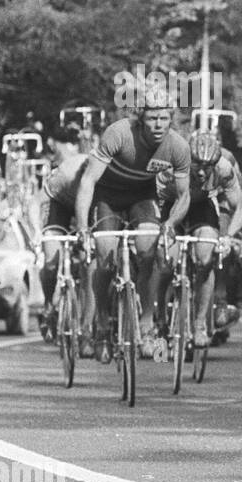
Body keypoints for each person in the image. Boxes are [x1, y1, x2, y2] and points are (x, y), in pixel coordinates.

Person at [76, 99, 191, 361]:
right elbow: (88, 181)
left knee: (148, 250)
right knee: (105, 260)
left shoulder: (178, 146)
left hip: (143, 197)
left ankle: (147, 323)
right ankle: (102, 324)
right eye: (152, 118)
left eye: (163, 118)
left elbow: (184, 195)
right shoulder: (118, 133)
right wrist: (83, 228)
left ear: (171, 118)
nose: (158, 124)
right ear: (141, 119)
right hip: (109, 198)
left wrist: (170, 224)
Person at [157, 131, 242, 348]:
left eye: (207, 166)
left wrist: (227, 236)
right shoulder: (170, 167)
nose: (201, 171)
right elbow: (151, 198)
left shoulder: (224, 169)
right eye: (196, 164)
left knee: (206, 259)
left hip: (201, 208)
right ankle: (158, 318)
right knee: (165, 263)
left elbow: (239, 206)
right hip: (171, 206)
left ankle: (199, 325)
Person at [37, 127, 93, 355]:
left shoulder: (103, 179)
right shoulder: (65, 173)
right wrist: (36, 234)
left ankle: (88, 330)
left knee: (91, 260)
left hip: (88, 209)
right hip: (59, 204)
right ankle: (49, 303)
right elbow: (37, 202)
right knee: (52, 259)